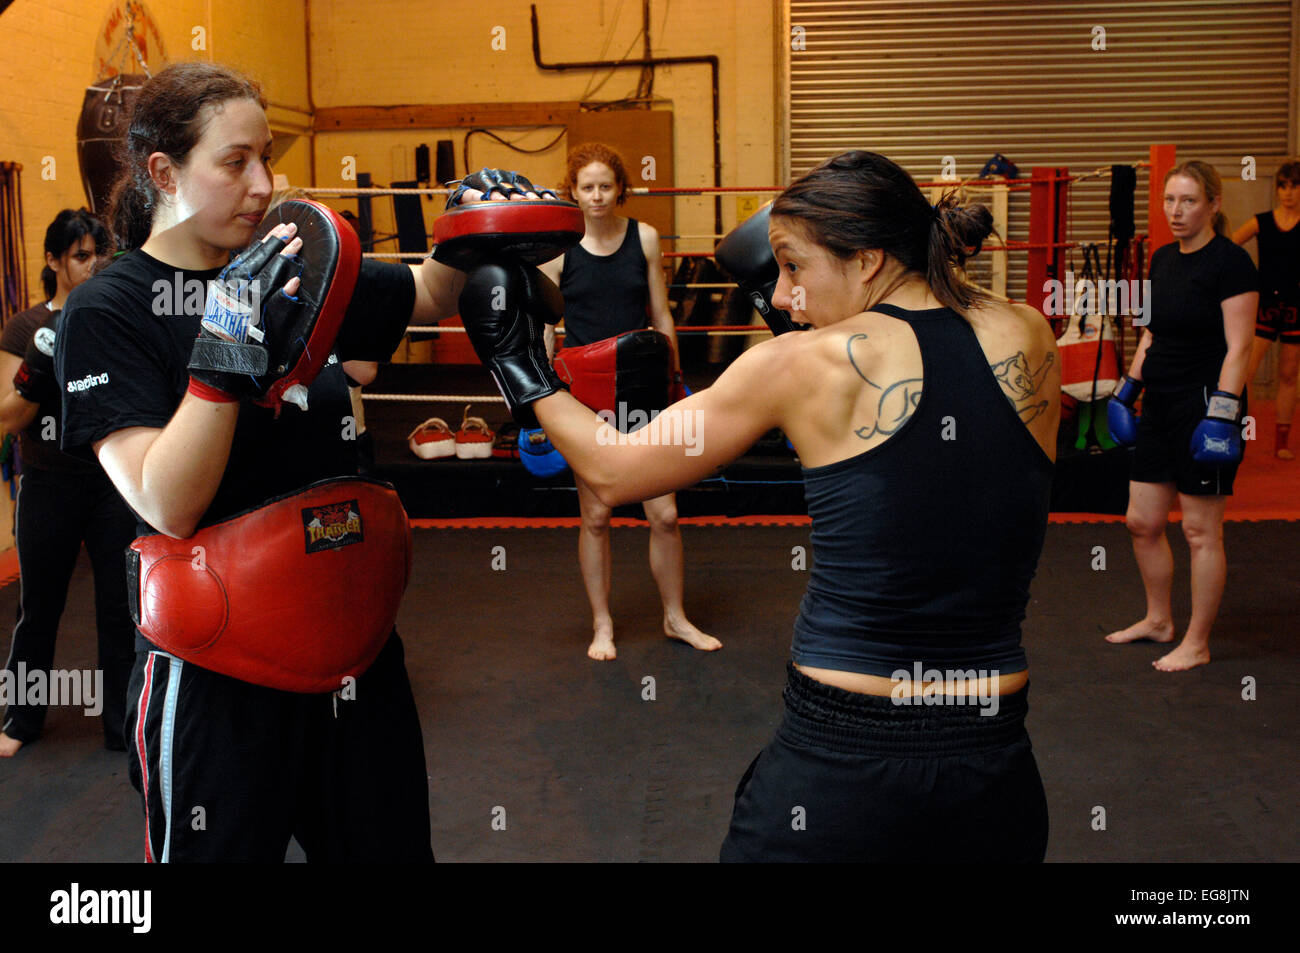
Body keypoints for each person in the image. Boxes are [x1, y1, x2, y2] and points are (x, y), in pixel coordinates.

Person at [457, 150, 1061, 861]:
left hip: (844, 767)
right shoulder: (1028, 333)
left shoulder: (797, 367)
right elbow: (932, 456)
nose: (778, 294)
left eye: (794, 267)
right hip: (995, 773)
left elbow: (614, 469)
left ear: (867, 260)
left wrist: (515, 363)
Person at [53, 61, 516, 862]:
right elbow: (166, 500)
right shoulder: (113, 307)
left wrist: (476, 224)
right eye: (235, 163)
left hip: (354, 661)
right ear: (162, 171)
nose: (264, 183)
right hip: (216, 680)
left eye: (267, 156)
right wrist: (224, 348)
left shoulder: (301, 271)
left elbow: (432, 295)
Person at [537, 143, 716, 661]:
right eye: (586, 187)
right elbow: (547, 330)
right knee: (595, 516)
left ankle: (675, 617)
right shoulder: (558, 248)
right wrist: (543, 399)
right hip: (586, 394)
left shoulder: (644, 238)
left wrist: (674, 383)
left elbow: (661, 314)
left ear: (620, 189)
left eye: (605, 186)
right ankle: (602, 624)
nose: (596, 196)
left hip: (641, 389)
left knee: (664, 514)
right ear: (573, 191)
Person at [1106, 161, 1257, 671]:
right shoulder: (1163, 259)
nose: (1176, 210)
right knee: (1141, 521)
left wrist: (1222, 415)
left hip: (1206, 405)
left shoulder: (1230, 263)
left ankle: (1196, 640)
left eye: (1188, 200)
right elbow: (1152, 333)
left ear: (1213, 204)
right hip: (1161, 402)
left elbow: (1239, 348)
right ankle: (1159, 620)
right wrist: (1127, 391)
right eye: (1170, 199)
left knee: (1200, 531)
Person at [0, 209, 136, 757]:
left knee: (118, 606)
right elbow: (8, 417)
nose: (90, 266)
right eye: (80, 256)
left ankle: (122, 724)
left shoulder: (111, 317)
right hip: (48, 483)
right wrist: (35, 367)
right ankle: (19, 721)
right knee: (39, 605)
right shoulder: (24, 327)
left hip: (110, 483)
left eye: (97, 256)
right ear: (54, 260)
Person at [1232, 160, 1299, 460]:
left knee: (1287, 375)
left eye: (1295, 186)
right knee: (1246, 371)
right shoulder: (1261, 221)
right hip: (1264, 305)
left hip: (1296, 307)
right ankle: (1244, 430)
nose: (1288, 193)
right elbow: (1229, 247)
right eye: (1283, 186)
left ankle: (1281, 441)